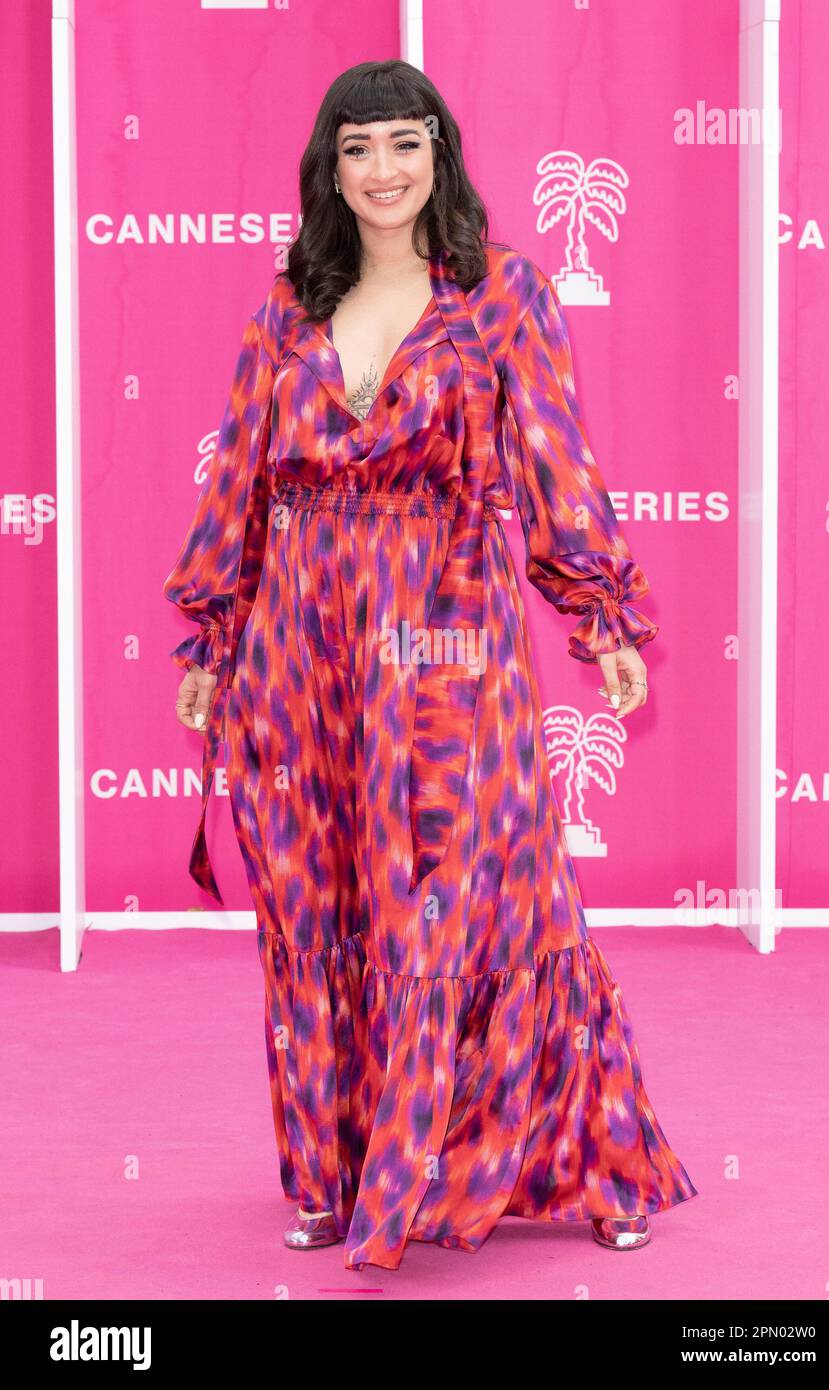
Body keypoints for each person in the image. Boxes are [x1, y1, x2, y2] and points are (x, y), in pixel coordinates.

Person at [163, 59, 697, 1273]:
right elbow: (237, 484)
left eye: (405, 144)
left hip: (446, 631)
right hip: (302, 641)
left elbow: (556, 463)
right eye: (358, 150)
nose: (383, 171)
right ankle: (339, 1168)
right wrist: (210, 632)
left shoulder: (502, 293)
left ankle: (580, 1155)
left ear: (439, 153)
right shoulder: (283, 307)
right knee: (321, 900)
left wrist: (599, 616)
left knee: (487, 889)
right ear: (328, 169)